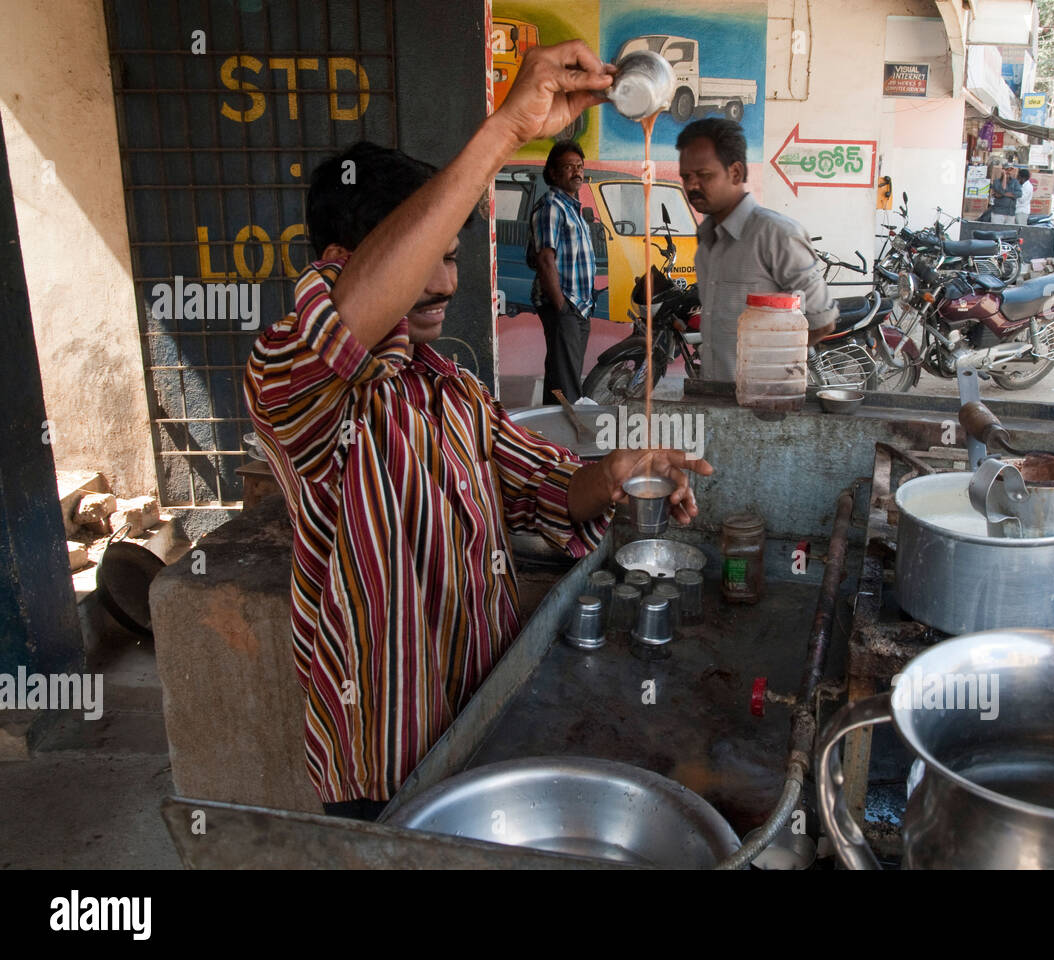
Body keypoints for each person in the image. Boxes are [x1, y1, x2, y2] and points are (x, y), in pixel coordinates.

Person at [244, 42, 713, 820]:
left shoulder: (454, 391)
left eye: (456, 256)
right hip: (383, 754)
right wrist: (505, 132)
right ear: (343, 263)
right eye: (427, 255)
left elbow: (552, 487)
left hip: (486, 722)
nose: (447, 282)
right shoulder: (296, 382)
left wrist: (625, 471)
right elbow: (346, 324)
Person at [676, 117, 837, 382]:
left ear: (736, 173)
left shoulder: (778, 234)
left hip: (765, 404)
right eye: (686, 177)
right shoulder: (706, 241)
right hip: (715, 398)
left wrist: (767, 375)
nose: (692, 186)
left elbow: (822, 321)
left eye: (704, 175)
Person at [530, 140, 596, 403]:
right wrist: (560, 306)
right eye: (569, 167)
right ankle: (567, 440)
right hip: (565, 304)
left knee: (561, 379)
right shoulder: (551, 207)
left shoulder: (573, 208)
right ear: (554, 173)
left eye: (579, 166)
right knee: (567, 387)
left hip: (579, 306)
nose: (576, 172)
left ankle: (550, 439)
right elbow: (546, 259)